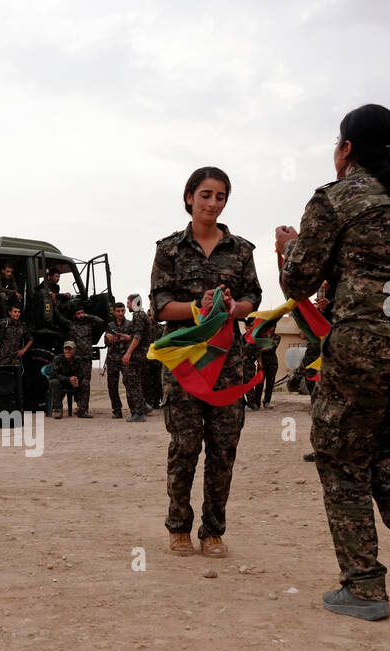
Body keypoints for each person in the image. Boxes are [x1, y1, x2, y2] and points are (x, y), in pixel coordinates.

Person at [277, 104, 390, 621]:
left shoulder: (335, 198)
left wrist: (287, 249)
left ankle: (364, 587)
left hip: (369, 346)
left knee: (339, 454)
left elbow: (298, 283)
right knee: (370, 439)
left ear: (345, 148)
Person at [151, 165, 262, 558]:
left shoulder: (242, 250)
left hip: (228, 364)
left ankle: (213, 530)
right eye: (205, 195)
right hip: (184, 364)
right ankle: (178, 525)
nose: (212, 203)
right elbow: (160, 304)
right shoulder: (169, 250)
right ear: (189, 198)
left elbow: (254, 298)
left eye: (220, 196)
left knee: (223, 448)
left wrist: (233, 309)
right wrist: (197, 308)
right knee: (184, 445)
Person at [131, 294, 164, 409]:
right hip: (147, 358)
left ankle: (158, 402)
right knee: (146, 382)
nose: (151, 316)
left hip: (157, 359)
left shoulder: (161, 328)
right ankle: (149, 402)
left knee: (158, 382)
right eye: (150, 314)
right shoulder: (146, 327)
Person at [104, 301, 133, 417]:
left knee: (129, 384)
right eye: (118, 311)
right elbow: (106, 342)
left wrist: (126, 338)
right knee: (112, 385)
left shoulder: (130, 325)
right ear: (114, 312)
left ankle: (134, 410)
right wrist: (107, 337)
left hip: (125, 358)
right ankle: (117, 410)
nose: (120, 313)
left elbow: (136, 339)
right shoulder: (110, 326)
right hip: (112, 359)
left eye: (122, 311)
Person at [48, 341, 87, 418]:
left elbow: (81, 374)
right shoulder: (57, 359)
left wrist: (76, 379)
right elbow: (53, 375)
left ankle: (82, 410)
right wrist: (68, 379)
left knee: (85, 383)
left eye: (70, 349)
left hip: (73, 384)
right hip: (61, 383)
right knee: (54, 382)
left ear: (74, 350)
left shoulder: (78, 360)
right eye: (66, 349)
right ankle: (57, 410)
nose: (67, 351)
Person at [245, 326, 280, 410]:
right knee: (259, 383)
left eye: (273, 325)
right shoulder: (261, 336)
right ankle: (257, 403)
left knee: (270, 383)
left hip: (272, 363)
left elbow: (272, 348)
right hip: (262, 363)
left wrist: (259, 349)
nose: (272, 327)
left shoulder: (277, 337)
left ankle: (266, 402)